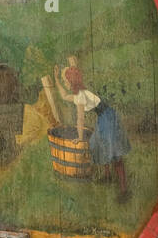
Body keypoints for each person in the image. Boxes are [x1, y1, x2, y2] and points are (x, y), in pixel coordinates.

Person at [53, 56, 130, 198]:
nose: (65, 83)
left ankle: (124, 190)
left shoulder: (81, 95)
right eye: (63, 81)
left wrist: (80, 137)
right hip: (103, 117)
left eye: (65, 80)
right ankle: (107, 176)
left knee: (114, 152)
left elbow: (80, 118)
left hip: (107, 117)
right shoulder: (78, 93)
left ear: (71, 81)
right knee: (96, 144)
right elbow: (64, 96)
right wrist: (56, 79)